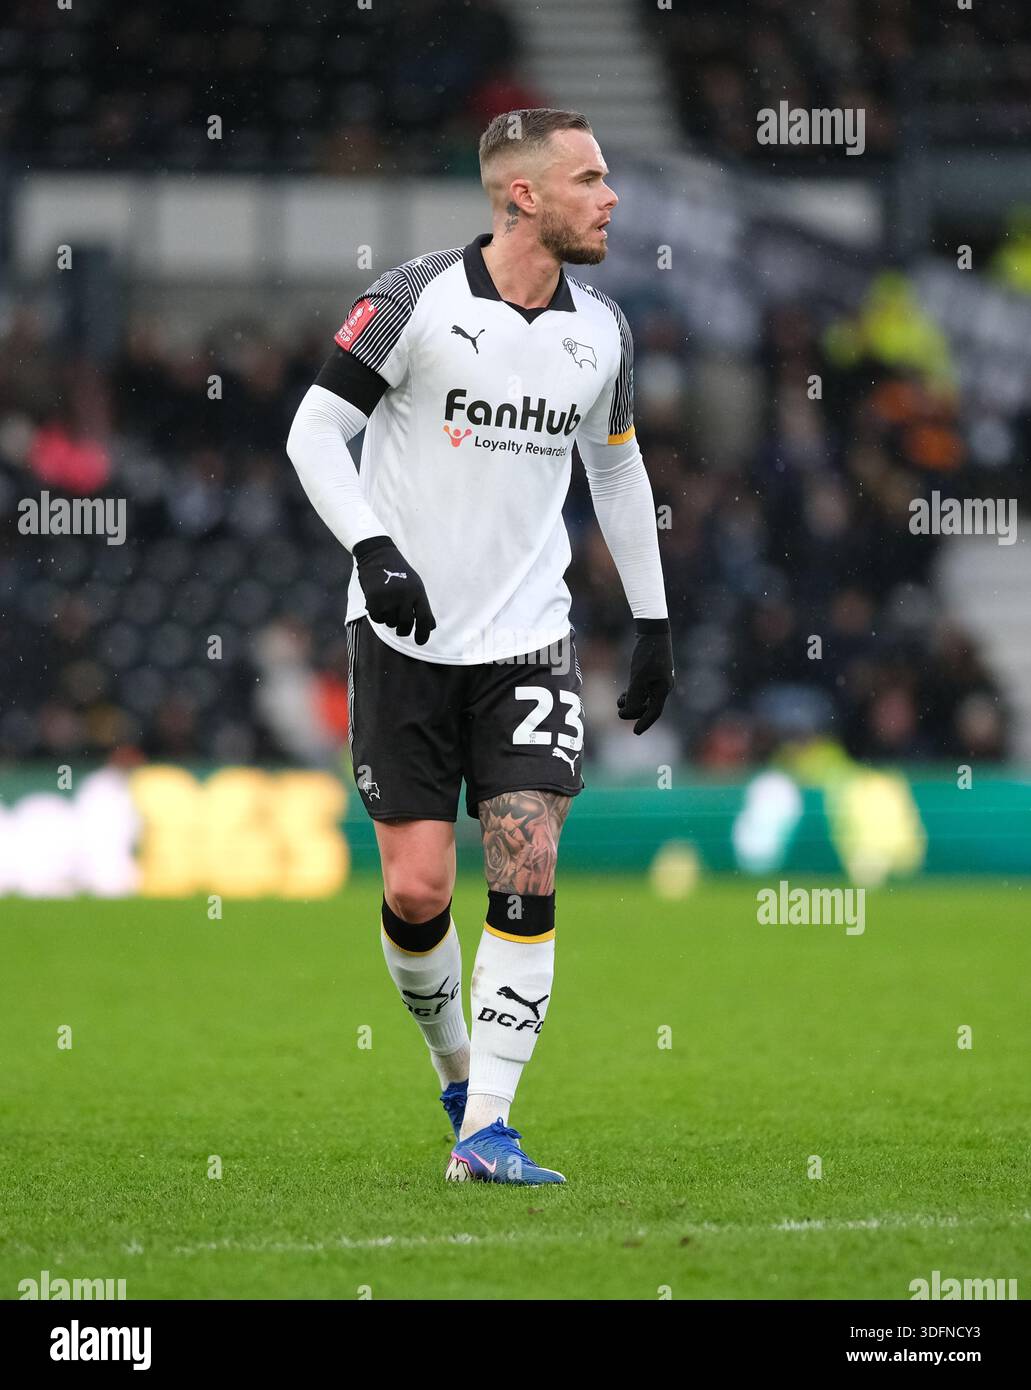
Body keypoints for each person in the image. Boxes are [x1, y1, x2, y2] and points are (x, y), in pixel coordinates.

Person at [287, 107, 674, 1184]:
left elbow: (614, 469)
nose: (609, 198)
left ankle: (487, 1130)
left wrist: (651, 617)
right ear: (522, 197)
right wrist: (370, 548)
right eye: (589, 179)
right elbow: (313, 430)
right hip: (403, 637)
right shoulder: (409, 299)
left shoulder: (601, 328)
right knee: (416, 891)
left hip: (526, 639)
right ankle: (456, 1068)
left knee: (524, 855)